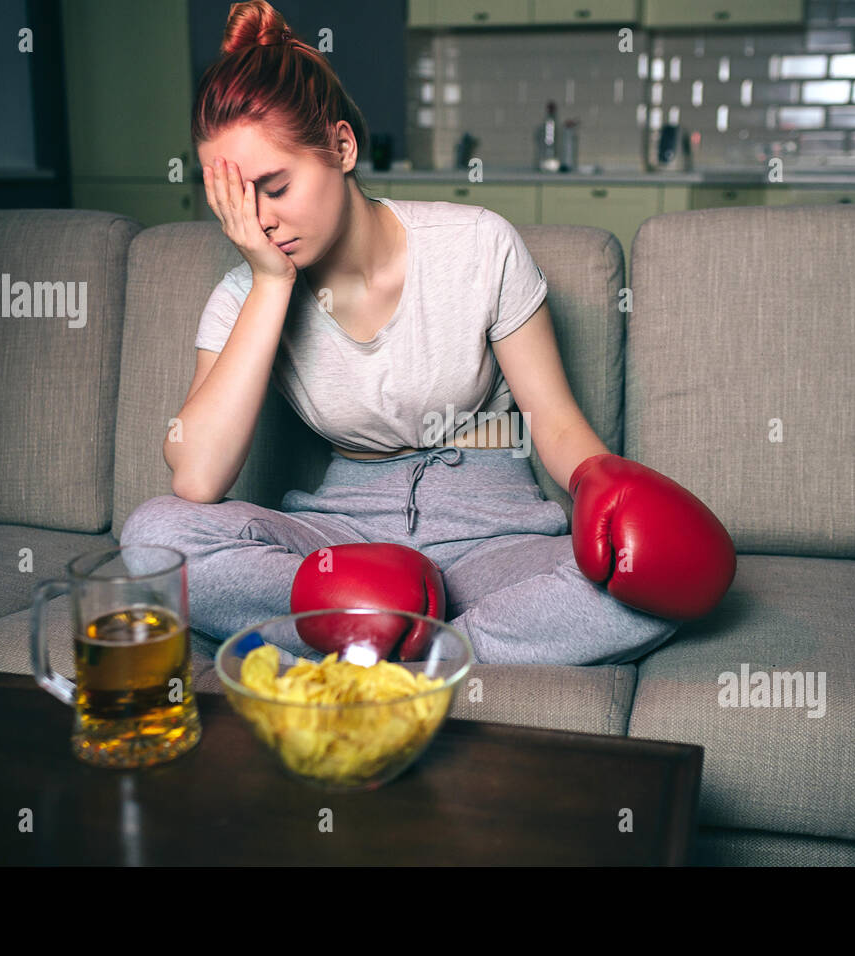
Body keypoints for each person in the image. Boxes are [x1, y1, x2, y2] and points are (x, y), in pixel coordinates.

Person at [120, 1, 735, 666]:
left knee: (643, 595)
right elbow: (198, 479)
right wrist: (271, 284)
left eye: (275, 186)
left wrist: (601, 481)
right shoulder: (242, 295)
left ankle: (378, 644)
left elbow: (554, 423)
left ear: (342, 146)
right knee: (154, 537)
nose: (260, 222)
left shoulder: (477, 244)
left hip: (492, 532)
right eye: (237, 205)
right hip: (344, 538)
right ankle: (374, 623)